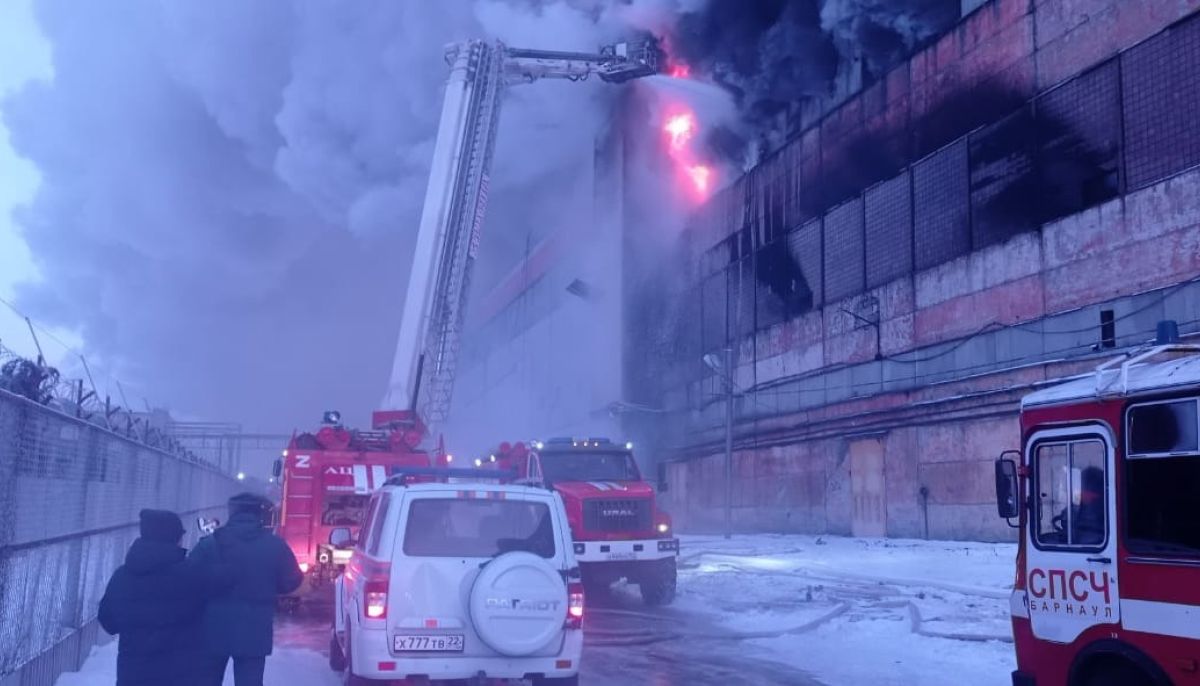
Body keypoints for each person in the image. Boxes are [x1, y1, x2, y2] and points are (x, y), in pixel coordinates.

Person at [189, 492, 303, 686]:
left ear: (231, 512)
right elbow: (292, 581)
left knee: (207, 679)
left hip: (214, 627)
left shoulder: (210, 544)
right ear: (260, 514)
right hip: (255, 629)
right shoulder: (275, 545)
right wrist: (270, 585)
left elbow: (190, 579)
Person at [98, 509, 205, 686]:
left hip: (133, 674)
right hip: (180, 674)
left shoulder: (123, 575)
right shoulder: (191, 575)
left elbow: (108, 621)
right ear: (174, 538)